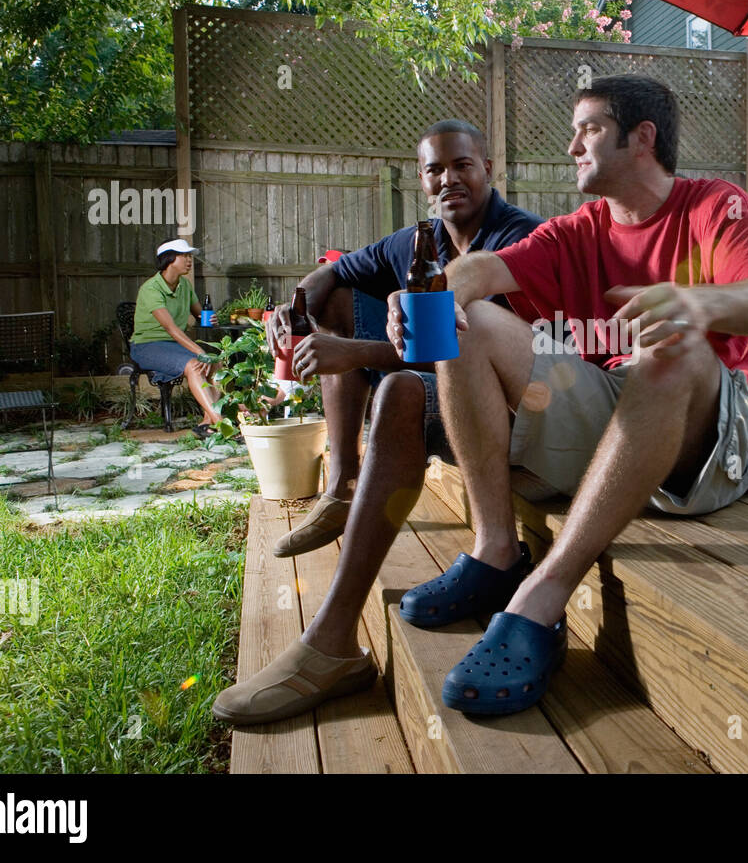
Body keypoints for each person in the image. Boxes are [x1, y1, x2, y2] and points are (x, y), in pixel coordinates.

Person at [386, 75, 748, 716]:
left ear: (642, 137)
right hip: (622, 424)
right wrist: (434, 293)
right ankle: (495, 549)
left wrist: (697, 303)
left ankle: (544, 595)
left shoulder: (717, 205)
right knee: (469, 321)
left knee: (672, 345)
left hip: (715, 444)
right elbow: (485, 269)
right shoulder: (579, 229)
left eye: (590, 129)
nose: (573, 144)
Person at [211, 119, 541, 725]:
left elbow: (458, 346)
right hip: (452, 394)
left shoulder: (516, 238)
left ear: (488, 168)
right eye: (434, 169)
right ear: (421, 179)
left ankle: (330, 643)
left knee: (396, 392)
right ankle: (341, 484)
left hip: (517, 412)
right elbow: (337, 272)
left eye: (461, 164)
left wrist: (354, 354)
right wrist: (295, 306)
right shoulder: (420, 240)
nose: (448, 179)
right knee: (334, 303)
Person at [129, 238, 220, 438]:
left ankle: (208, 422)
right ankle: (223, 424)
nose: (189, 260)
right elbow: (171, 328)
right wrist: (199, 351)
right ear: (169, 259)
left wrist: (208, 318)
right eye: (184, 256)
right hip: (147, 346)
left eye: (190, 256)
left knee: (217, 365)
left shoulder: (184, 286)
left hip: (173, 345)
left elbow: (199, 314)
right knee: (195, 365)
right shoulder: (151, 289)